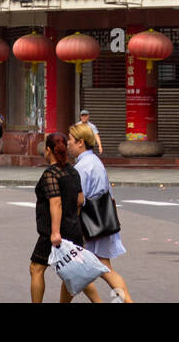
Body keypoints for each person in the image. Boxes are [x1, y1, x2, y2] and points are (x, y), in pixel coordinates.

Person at [30, 132, 101, 304]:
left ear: (48, 150)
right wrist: (73, 220)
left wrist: (55, 232)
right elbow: (80, 200)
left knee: (37, 268)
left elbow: (56, 203)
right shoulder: (72, 171)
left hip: (53, 232)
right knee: (73, 271)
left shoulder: (51, 174)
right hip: (73, 227)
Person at [68, 124, 133, 302]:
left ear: (80, 142)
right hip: (101, 221)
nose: (68, 143)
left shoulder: (83, 167)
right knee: (94, 268)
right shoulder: (94, 162)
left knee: (82, 269)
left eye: (71, 140)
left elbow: (79, 199)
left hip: (89, 225)